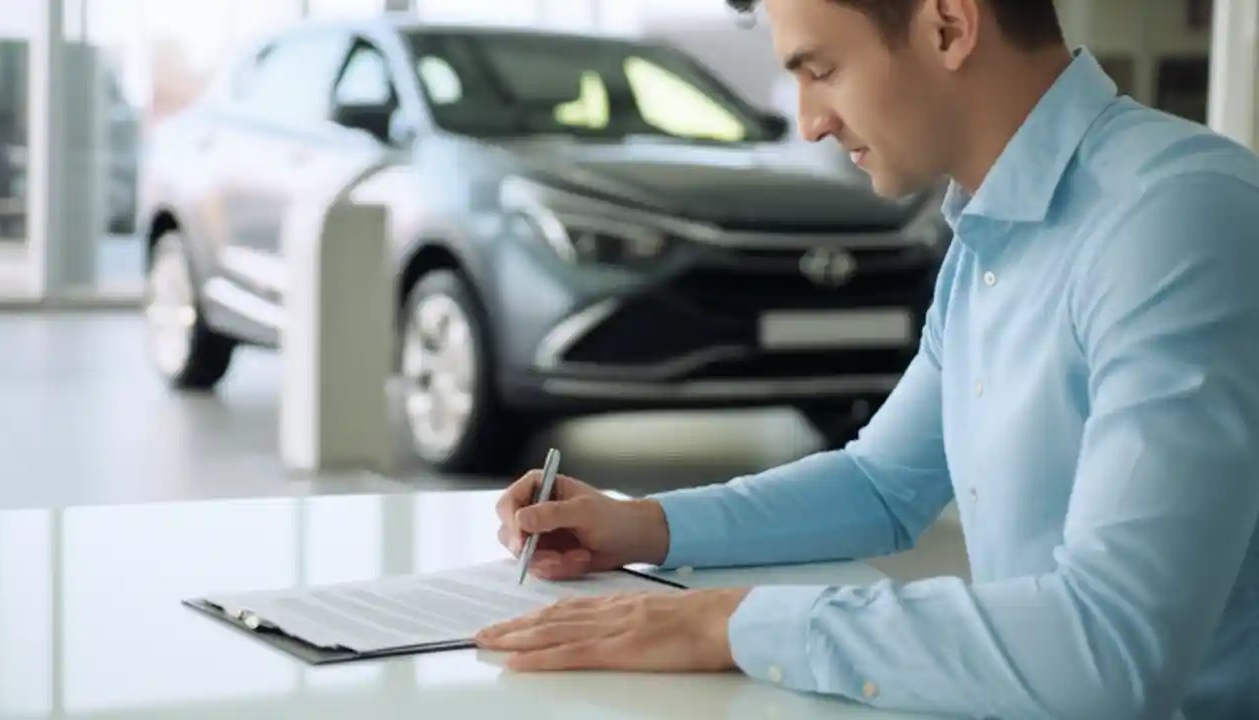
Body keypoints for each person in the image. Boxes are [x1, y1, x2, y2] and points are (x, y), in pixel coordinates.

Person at [474, 1, 1259, 717]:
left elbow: (1113, 646)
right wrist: (639, 525)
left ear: (949, 25)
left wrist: (732, 623)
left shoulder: (1174, 220)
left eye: (822, 71)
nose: (809, 122)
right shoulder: (993, 237)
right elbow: (881, 484)